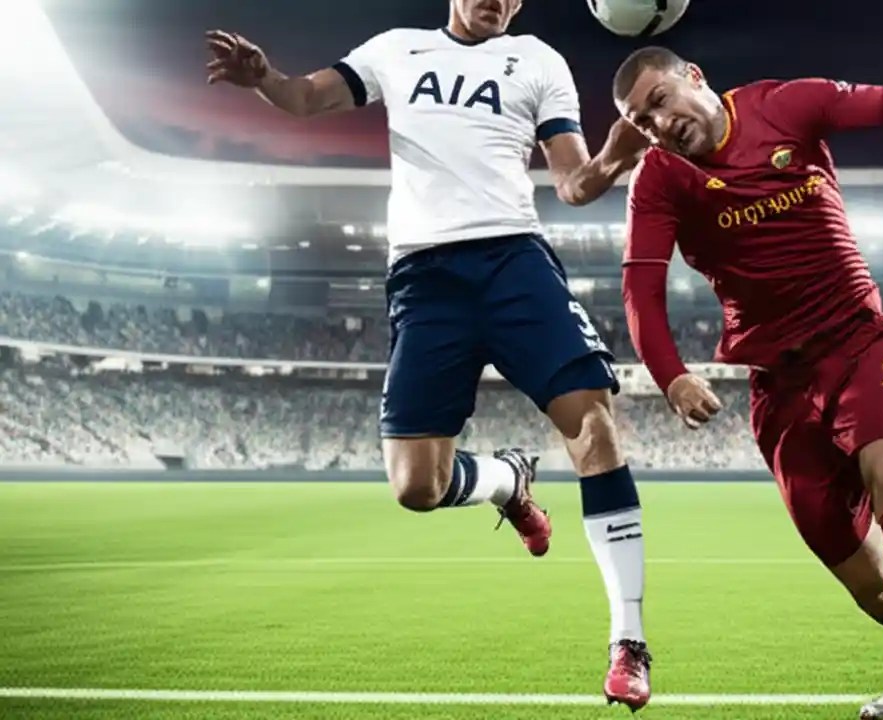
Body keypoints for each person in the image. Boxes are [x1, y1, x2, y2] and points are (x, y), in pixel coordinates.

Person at [204, 1, 653, 708]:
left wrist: (617, 155)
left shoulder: (538, 61)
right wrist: (265, 77)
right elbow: (303, 99)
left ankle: (628, 639)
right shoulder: (396, 48)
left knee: (594, 424)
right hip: (425, 277)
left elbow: (572, 184)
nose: (497, 2)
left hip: (515, 261)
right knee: (415, 486)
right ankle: (505, 481)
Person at [614, 46, 883, 720]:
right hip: (779, 388)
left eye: (659, 99)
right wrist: (672, 378)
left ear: (694, 78)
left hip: (861, 340)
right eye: (642, 121)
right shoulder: (658, 179)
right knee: (877, 594)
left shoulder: (783, 105)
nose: (659, 123)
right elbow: (641, 290)